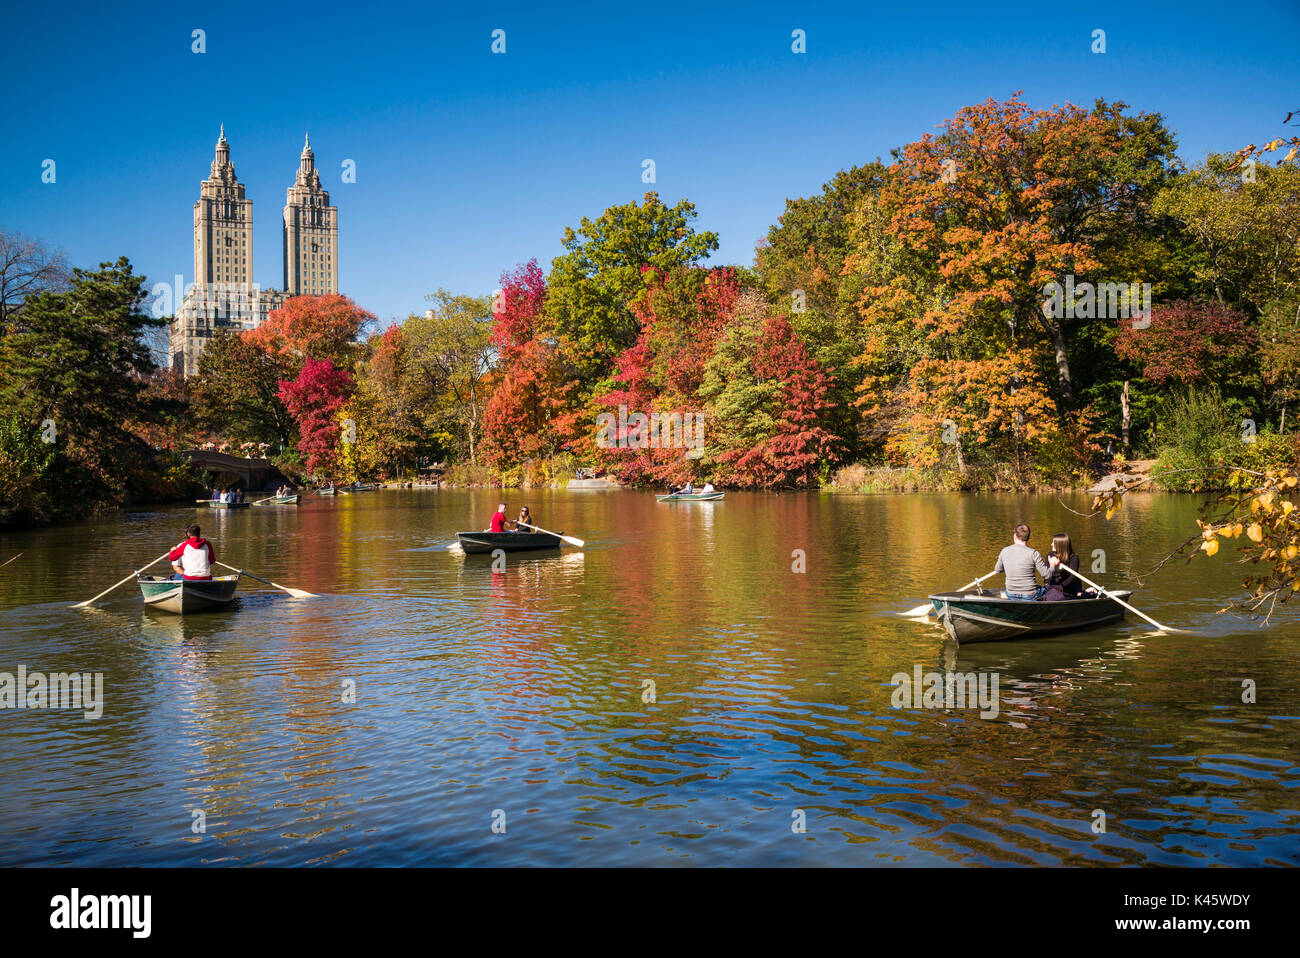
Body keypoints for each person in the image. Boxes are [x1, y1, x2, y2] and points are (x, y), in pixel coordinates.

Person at [994, 523, 1051, 601]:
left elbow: (998, 570)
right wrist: (1053, 566)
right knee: (1048, 589)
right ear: (1028, 537)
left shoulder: (1004, 551)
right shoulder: (1034, 553)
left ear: (1015, 536)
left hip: (1011, 594)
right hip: (1030, 595)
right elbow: (1046, 575)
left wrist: (1009, 565)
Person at [1043, 532, 1083, 601]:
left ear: (1060, 545)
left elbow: (1072, 577)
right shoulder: (1050, 556)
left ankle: (1083, 594)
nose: (1051, 544)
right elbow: (1046, 578)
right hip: (1054, 585)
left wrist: (1062, 586)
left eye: (1053, 543)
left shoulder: (1073, 557)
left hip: (1069, 586)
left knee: (1055, 595)